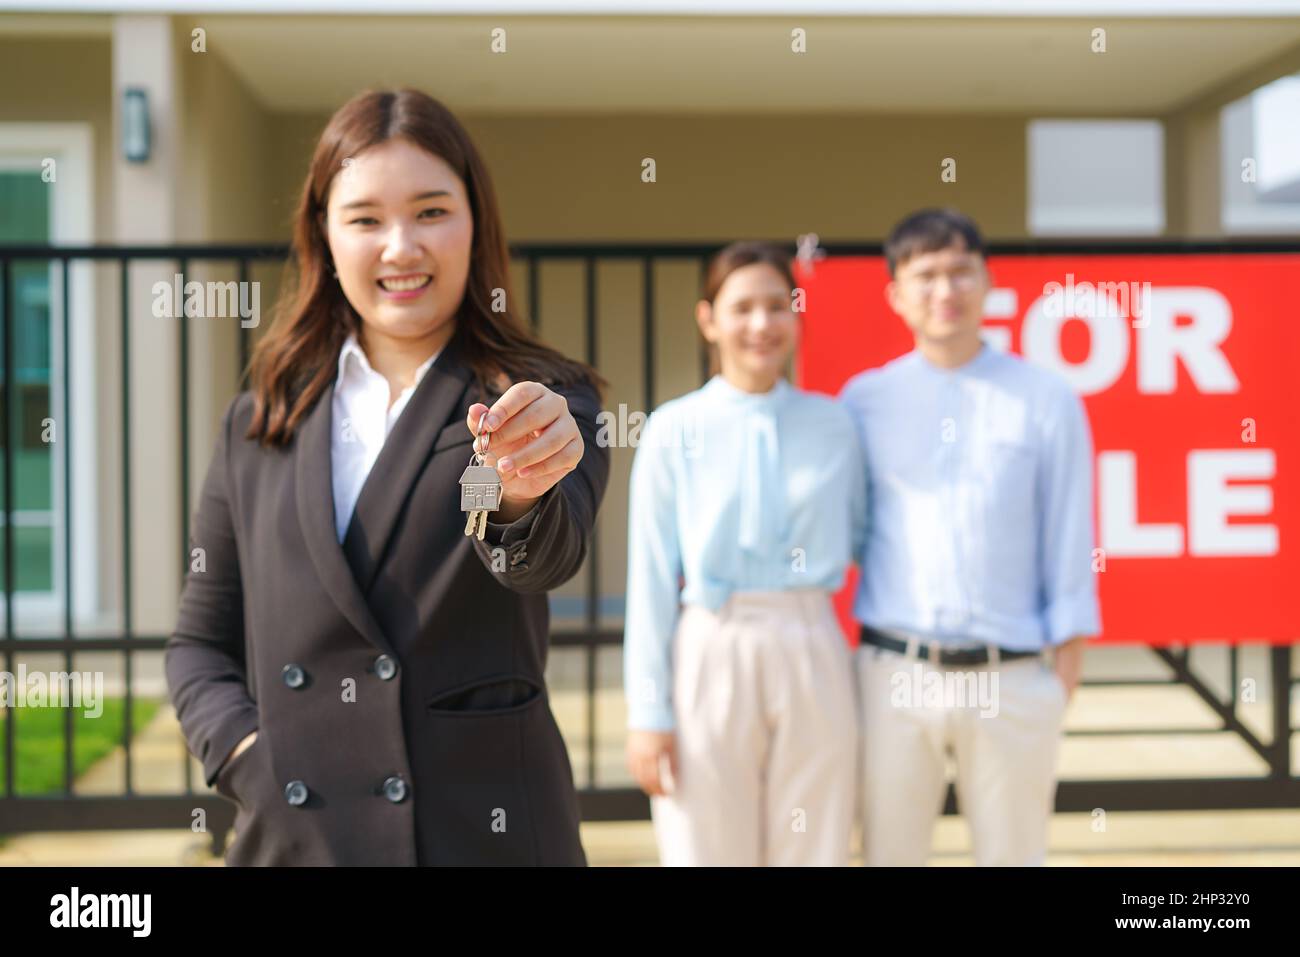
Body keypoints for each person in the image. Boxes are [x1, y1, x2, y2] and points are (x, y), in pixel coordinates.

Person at [165, 88, 609, 866]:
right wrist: (248, 759)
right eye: (366, 218)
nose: (401, 246)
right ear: (325, 238)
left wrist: (513, 490)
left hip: (483, 835)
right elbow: (200, 645)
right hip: (301, 836)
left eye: (432, 211)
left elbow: (528, 554)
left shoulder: (531, 402)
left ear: (476, 224)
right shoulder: (260, 421)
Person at [839, 207, 1100, 866]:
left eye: (960, 271)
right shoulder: (864, 399)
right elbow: (845, 528)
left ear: (987, 281)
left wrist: (1058, 677)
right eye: (925, 275)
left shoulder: (1045, 396)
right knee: (887, 855)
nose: (945, 289)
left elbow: (1070, 534)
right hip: (894, 673)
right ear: (896, 294)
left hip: (1011, 674)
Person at [623, 241, 864, 866]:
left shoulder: (834, 425)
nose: (762, 324)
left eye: (778, 306)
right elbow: (650, 578)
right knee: (704, 843)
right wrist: (648, 709)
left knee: (816, 845)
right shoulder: (674, 429)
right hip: (711, 641)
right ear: (709, 319)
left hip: (812, 638)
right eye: (743, 307)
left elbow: (867, 538)